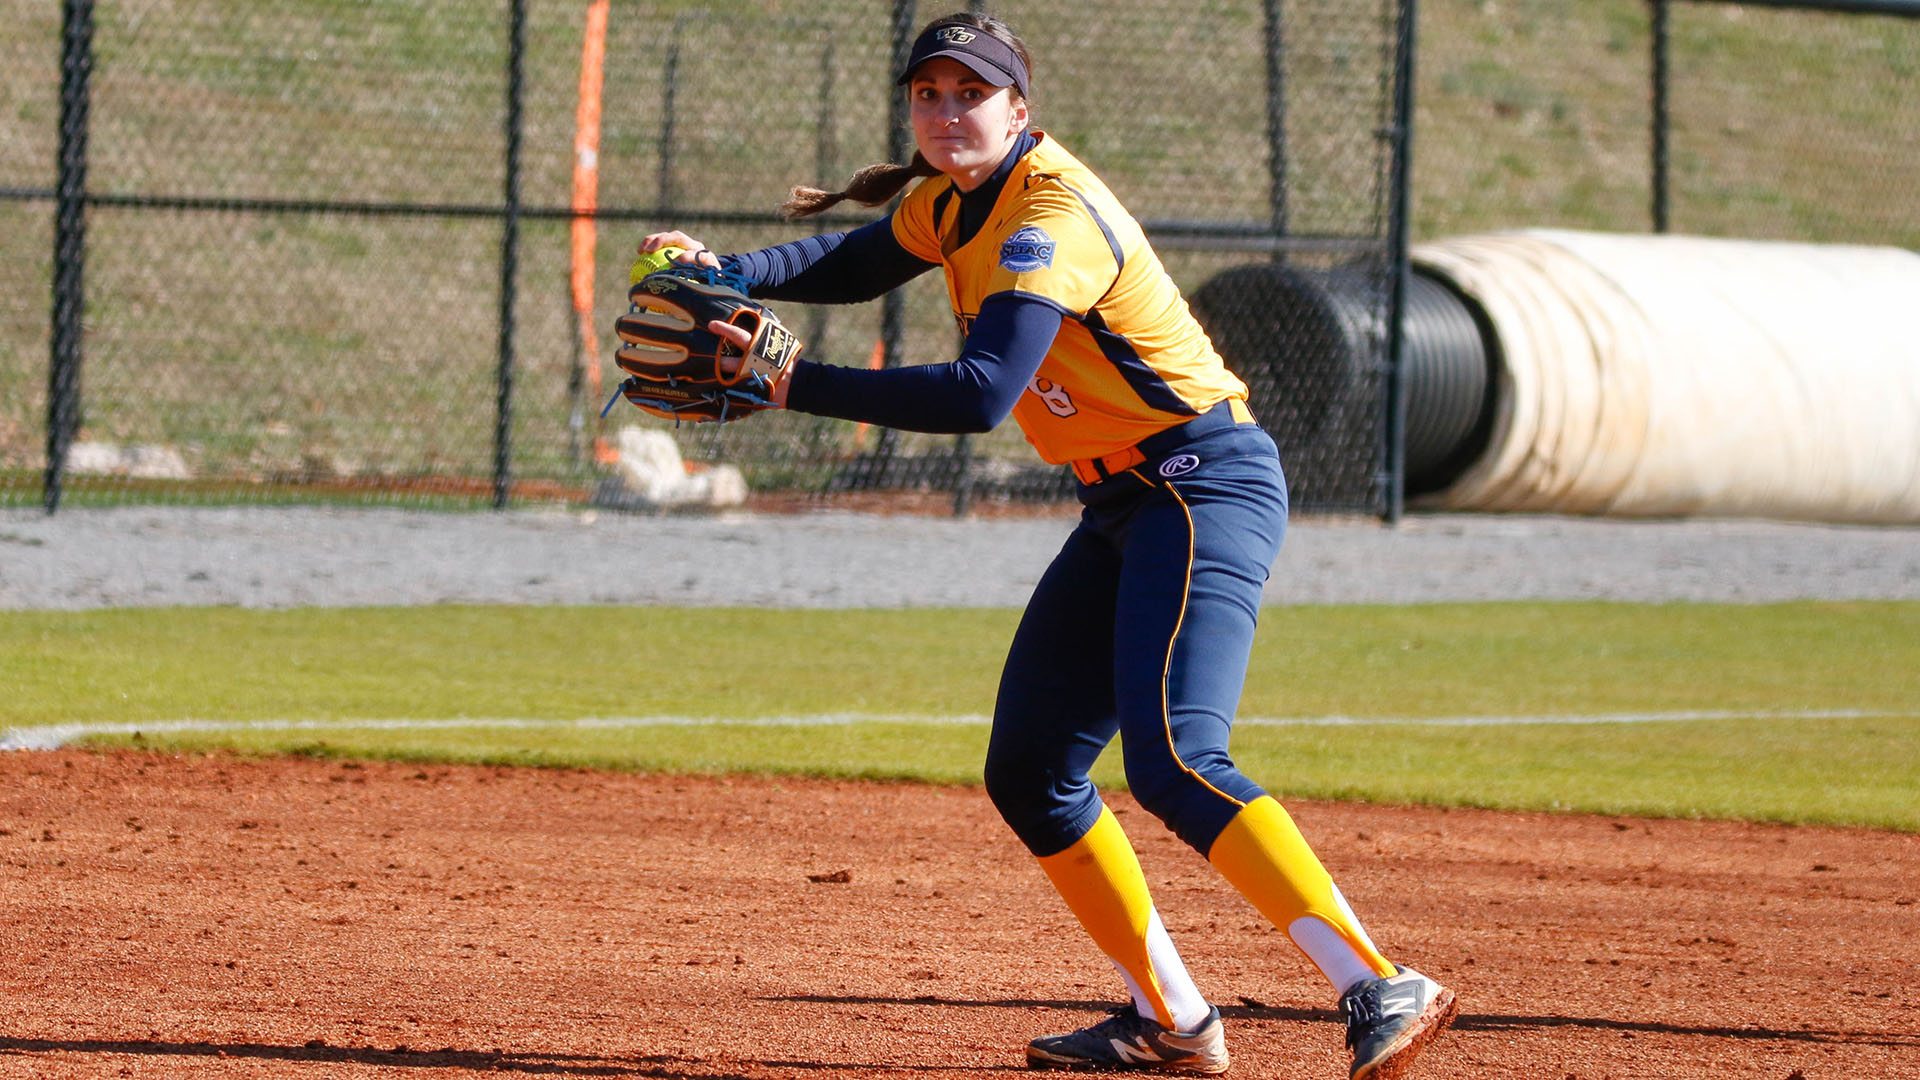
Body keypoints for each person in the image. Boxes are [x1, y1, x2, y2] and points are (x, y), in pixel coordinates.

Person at [637, 13, 1456, 1079]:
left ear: (1020, 108)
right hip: (1122, 504)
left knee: (1175, 761)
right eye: (927, 95)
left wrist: (795, 386)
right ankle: (1171, 1020)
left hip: (1203, 486)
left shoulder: (1049, 214)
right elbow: (854, 261)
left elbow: (984, 398)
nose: (944, 112)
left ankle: (1375, 982)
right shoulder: (950, 200)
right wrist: (729, 271)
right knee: (1031, 770)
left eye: (968, 93)